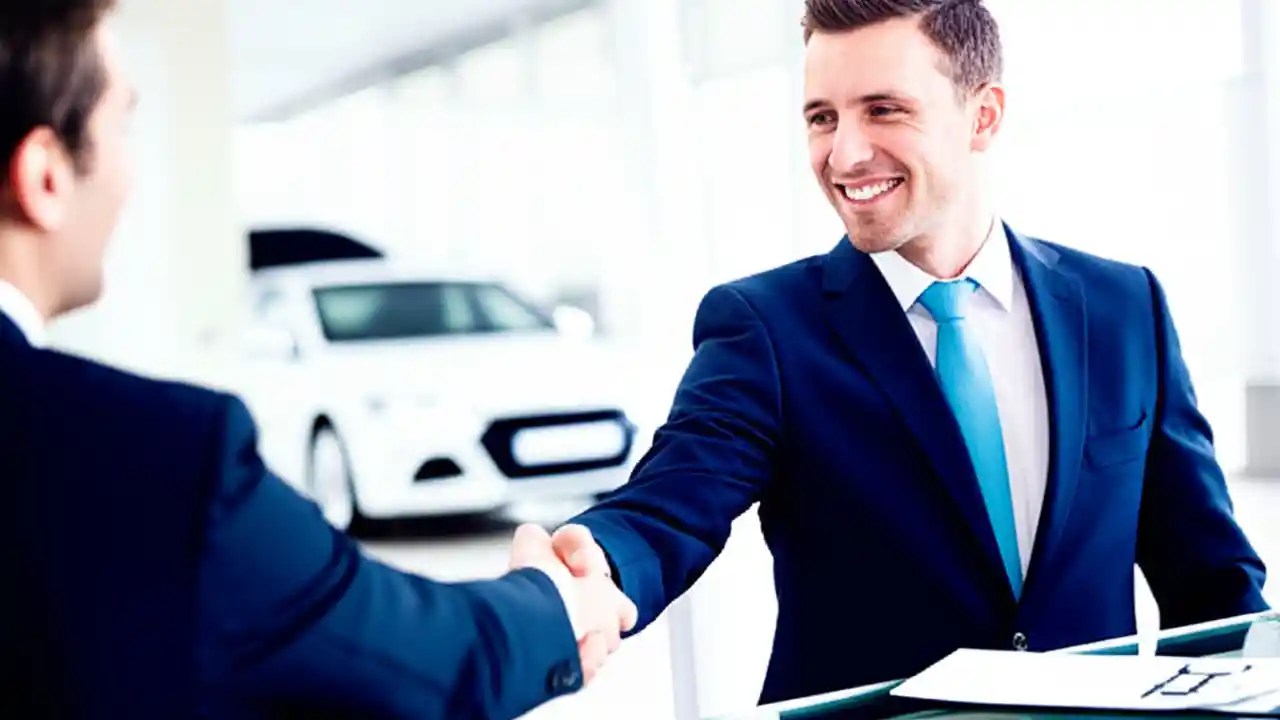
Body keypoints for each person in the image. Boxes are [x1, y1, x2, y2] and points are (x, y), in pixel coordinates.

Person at [532, 0, 1270, 706]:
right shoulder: (766, 330)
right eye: (823, 118)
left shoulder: (1120, 308)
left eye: (883, 109)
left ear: (983, 115)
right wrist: (598, 564)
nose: (844, 154)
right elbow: (675, 504)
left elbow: (1212, 581)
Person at [0, 2, 635, 718]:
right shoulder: (150, 456)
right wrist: (554, 606)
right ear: (46, 176)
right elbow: (410, 655)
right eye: (123, 125)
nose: (128, 174)